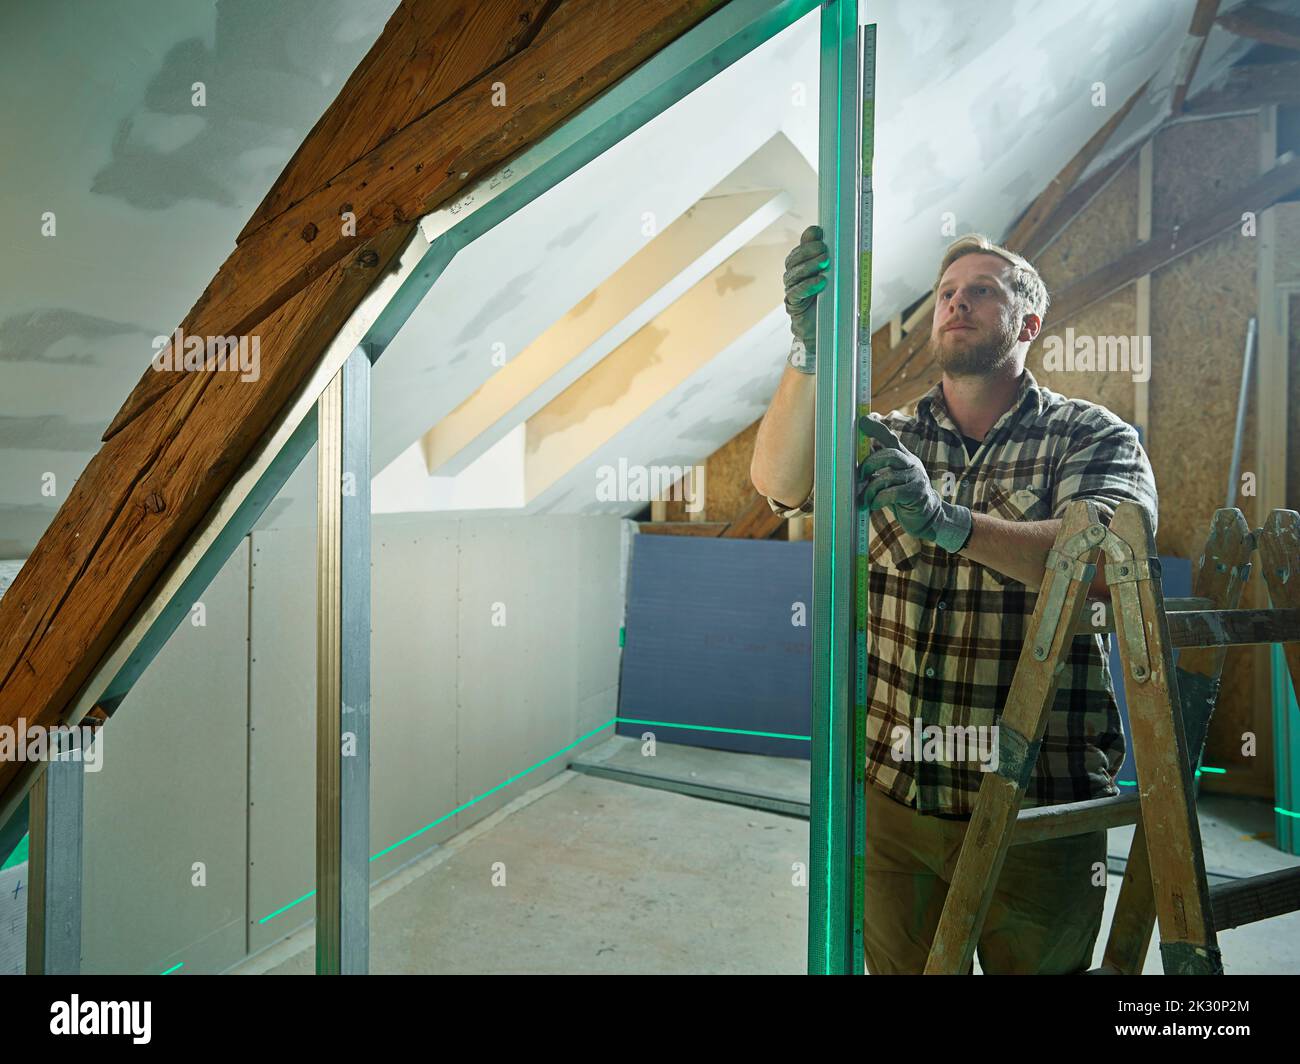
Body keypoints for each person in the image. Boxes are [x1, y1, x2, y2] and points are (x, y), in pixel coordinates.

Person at [751, 226, 1159, 974]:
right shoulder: (885, 438)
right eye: (944, 294)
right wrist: (810, 355)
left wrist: (952, 524)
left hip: (1039, 808)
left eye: (981, 291)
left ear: (1029, 323)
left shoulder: (1090, 436)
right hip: (894, 800)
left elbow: (1107, 563)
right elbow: (779, 484)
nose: (955, 303)